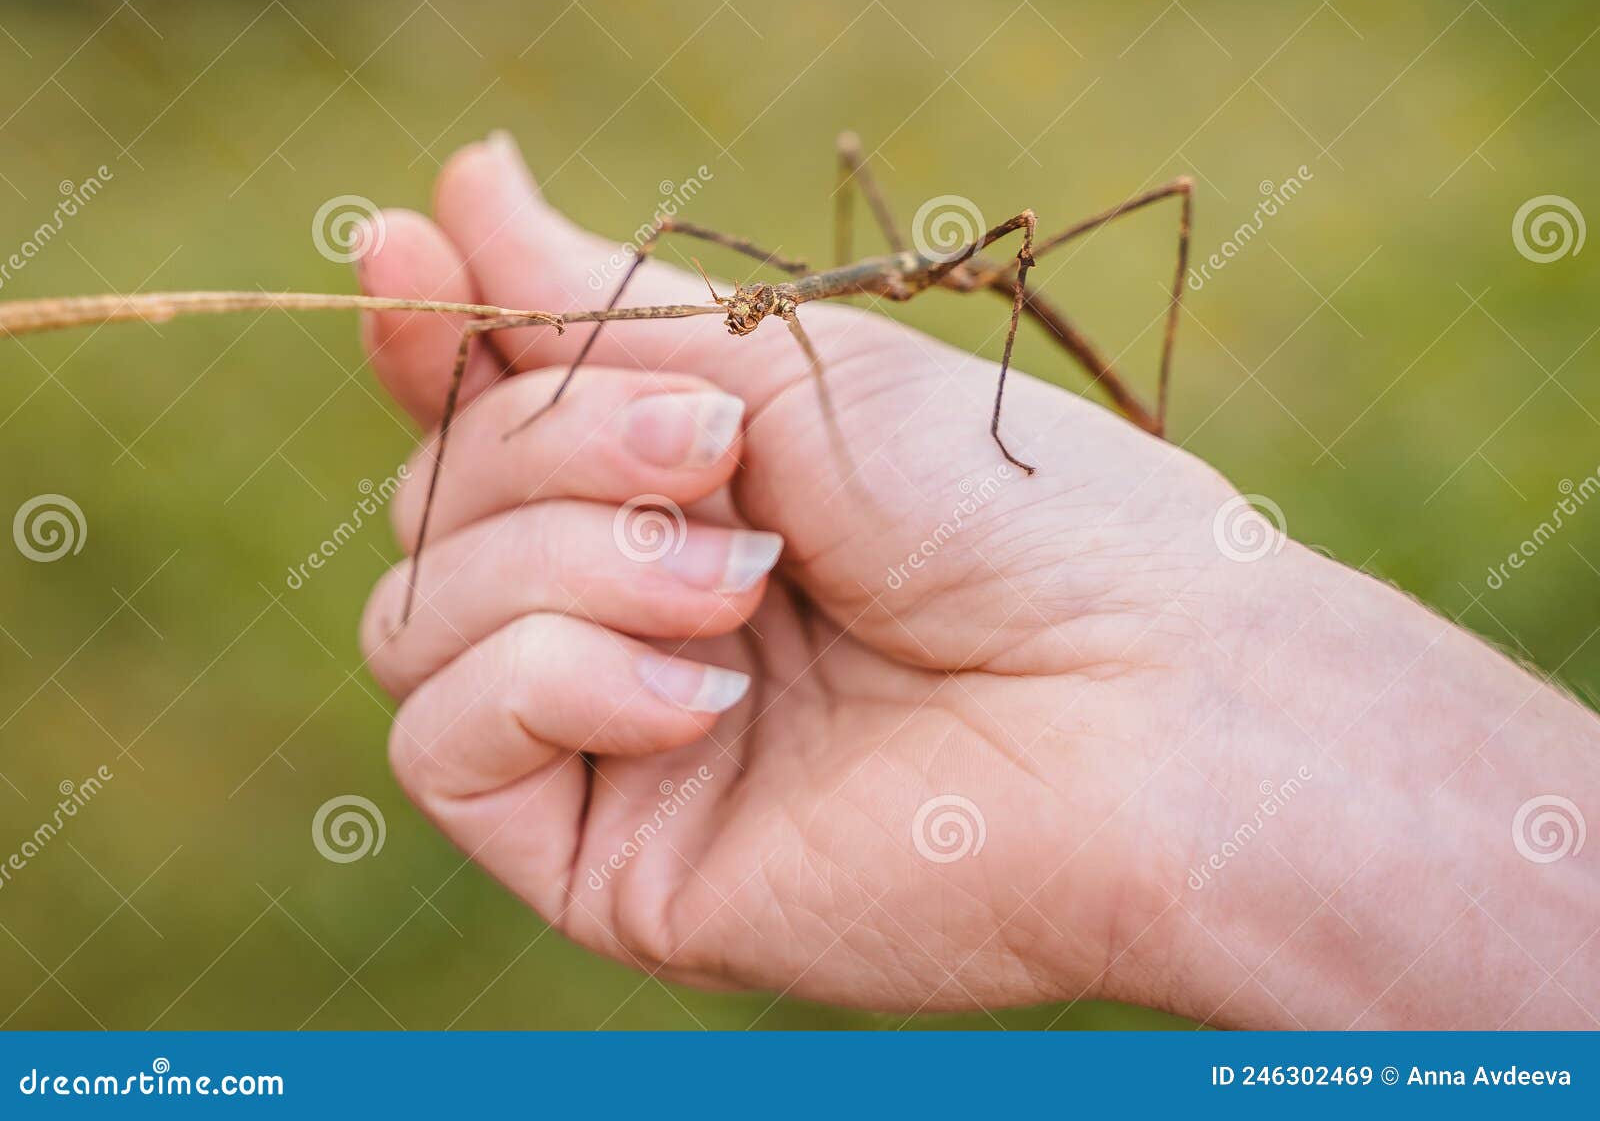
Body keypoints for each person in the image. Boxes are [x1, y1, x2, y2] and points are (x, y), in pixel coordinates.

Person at [354, 133, 1599, 1028]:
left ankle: (1129, 404)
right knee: (736, 224)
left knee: (1152, 194)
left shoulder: (943, 297)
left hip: (988, 282)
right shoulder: (776, 302)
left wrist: (974, 449)